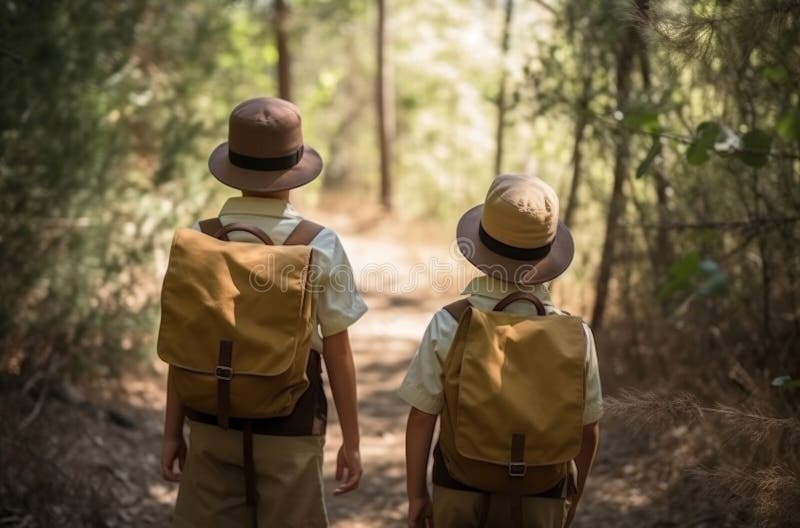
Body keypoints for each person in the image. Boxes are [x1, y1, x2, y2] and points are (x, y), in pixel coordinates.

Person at [160, 97, 367, 527]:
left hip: (210, 423)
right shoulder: (319, 243)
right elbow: (338, 350)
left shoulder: (201, 239)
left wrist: (170, 433)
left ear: (233, 168)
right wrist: (352, 439)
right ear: (295, 173)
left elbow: (185, 342)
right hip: (289, 426)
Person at [399, 174, 603, 528]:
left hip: (459, 488)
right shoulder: (576, 336)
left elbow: (421, 416)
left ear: (480, 244)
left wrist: (417, 494)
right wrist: (572, 498)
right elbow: (588, 430)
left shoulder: (451, 323)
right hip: (542, 494)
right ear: (548, 254)